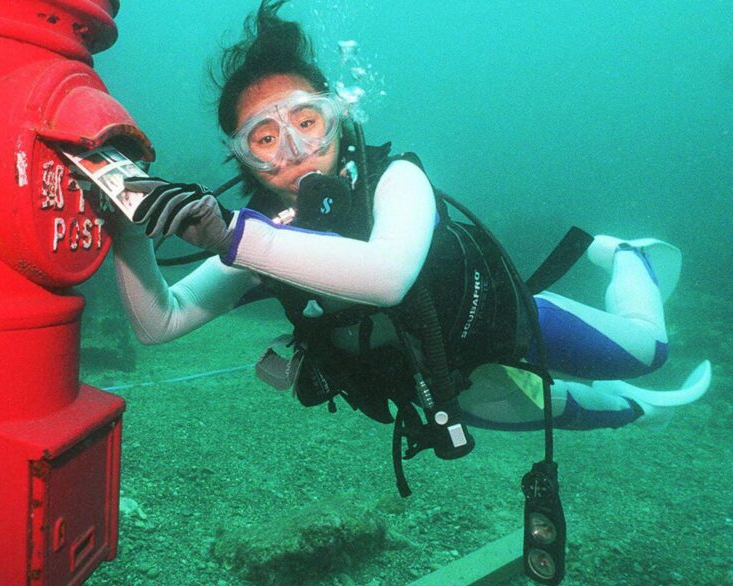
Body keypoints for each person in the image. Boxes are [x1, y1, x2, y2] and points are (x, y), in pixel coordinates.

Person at [109, 0, 710, 459]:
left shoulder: (396, 179)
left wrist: (231, 237)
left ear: (339, 122)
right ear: (242, 159)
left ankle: (630, 257)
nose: (293, 151)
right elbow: (160, 322)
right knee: (587, 412)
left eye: (307, 121)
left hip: (503, 320)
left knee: (647, 351)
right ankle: (649, 410)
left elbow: (389, 275)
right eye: (265, 140)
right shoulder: (256, 236)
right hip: (448, 387)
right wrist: (127, 221)